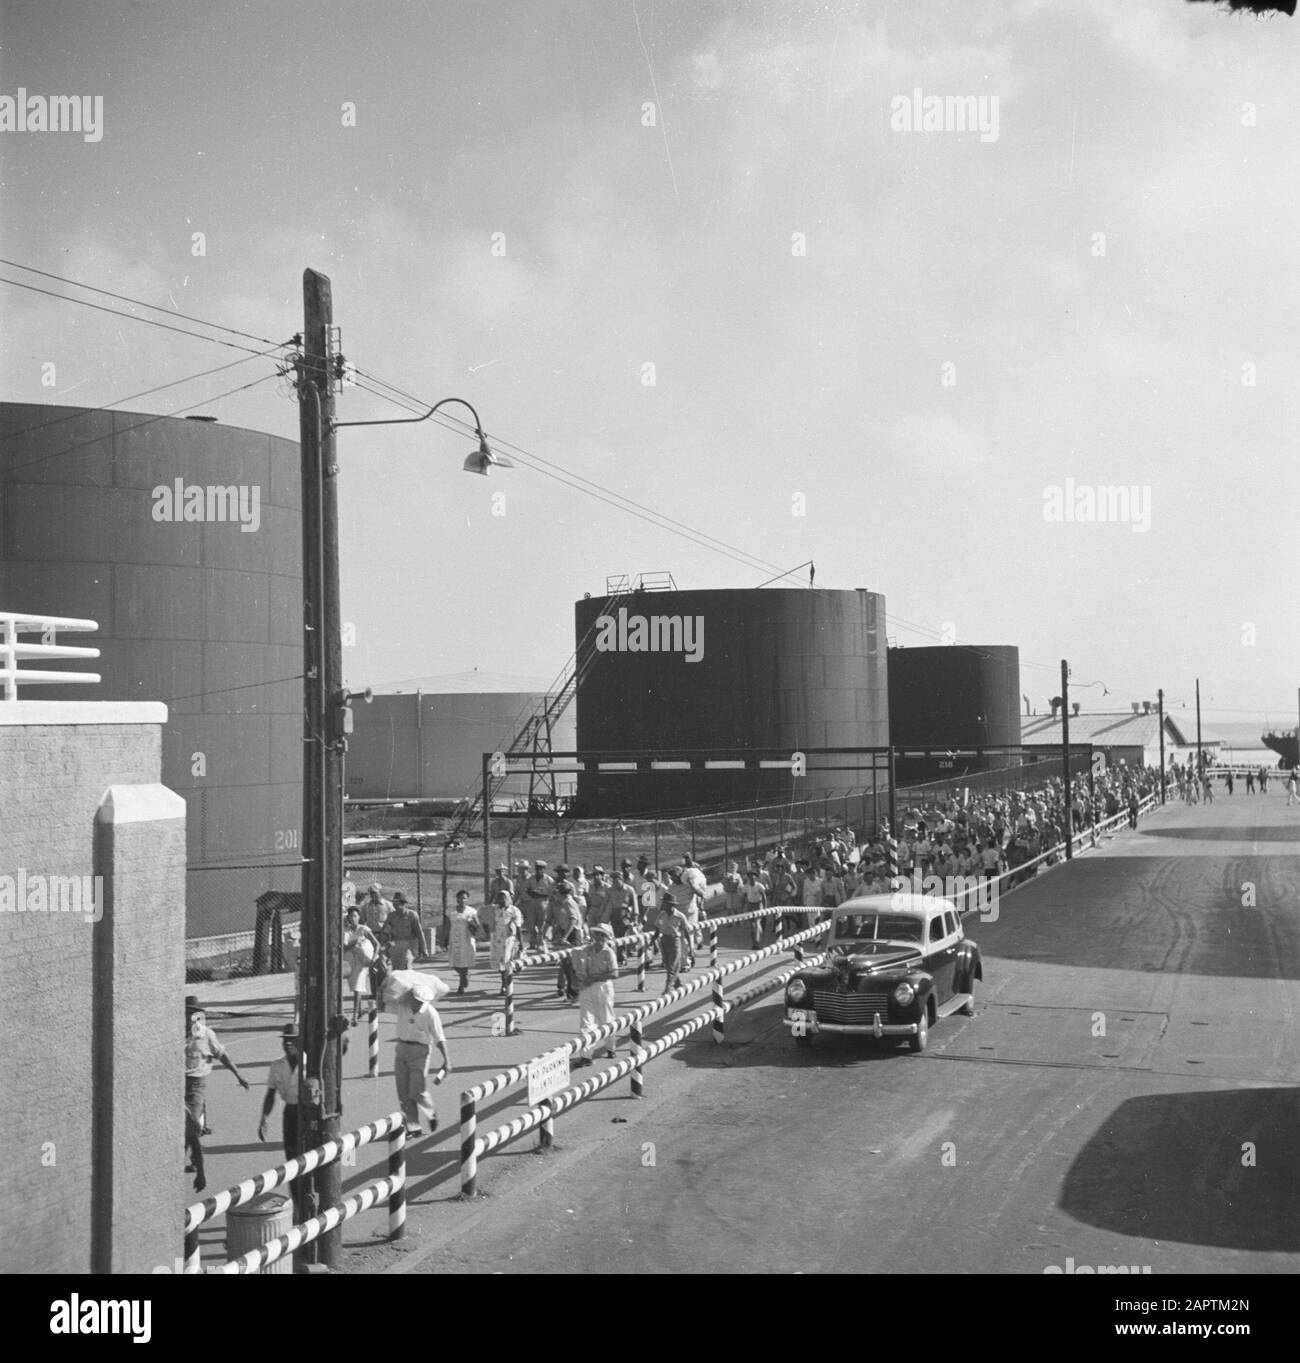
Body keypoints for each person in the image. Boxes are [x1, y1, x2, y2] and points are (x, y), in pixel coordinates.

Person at [185, 996, 250, 1138]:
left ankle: (193, 1152)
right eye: (187, 1012)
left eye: (193, 1013)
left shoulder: (206, 1034)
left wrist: (238, 1075)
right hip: (177, 1084)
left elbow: (222, 1055)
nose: (189, 1016)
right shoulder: (172, 1033)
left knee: (191, 1124)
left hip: (196, 1083)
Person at [393, 984, 450, 1138]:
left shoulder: (430, 1013)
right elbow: (387, 999)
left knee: (417, 1091)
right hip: (401, 1048)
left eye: (415, 999)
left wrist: (447, 1060)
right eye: (411, 997)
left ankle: (431, 1113)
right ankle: (413, 1127)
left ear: (421, 1001)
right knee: (403, 1093)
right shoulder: (403, 1005)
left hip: (420, 1051)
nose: (412, 1001)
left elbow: (439, 1037)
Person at [572, 923, 619, 1067]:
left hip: (602, 987)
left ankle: (611, 1047)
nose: (598, 938)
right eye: (596, 934)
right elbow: (576, 957)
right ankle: (586, 1056)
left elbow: (614, 973)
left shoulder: (608, 952)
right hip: (587, 987)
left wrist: (595, 978)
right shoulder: (587, 950)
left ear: (606, 938)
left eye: (601, 935)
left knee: (606, 1019)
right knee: (586, 1022)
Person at [258, 1024, 303, 1158]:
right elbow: (270, 1094)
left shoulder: (309, 1062)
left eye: (292, 1039)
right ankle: (295, 1180)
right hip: (290, 1112)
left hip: (307, 1112)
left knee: (308, 1153)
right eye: (285, 1040)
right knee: (291, 1153)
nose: (288, 1043)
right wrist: (263, 1119)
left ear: (300, 1041)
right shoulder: (277, 1066)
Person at [548, 879, 585, 1002]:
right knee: (565, 964)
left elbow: (572, 922)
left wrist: (565, 937)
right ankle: (569, 991)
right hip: (563, 932)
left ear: (564, 894)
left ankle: (576, 993)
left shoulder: (569, 903)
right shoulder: (557, 903)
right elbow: (555, 919)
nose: (555, 895)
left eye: (558, 893)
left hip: (573, 934)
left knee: (573, 965)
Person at [342, 908, 380, 1023]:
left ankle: (354, 1016)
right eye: (350, 916)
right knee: (354, 986)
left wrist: (373, 958)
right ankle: (359, 1011)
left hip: (362, 963)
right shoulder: (345, 932)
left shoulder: (364, 929)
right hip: (349, 962)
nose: (352, 918)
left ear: (359, 917)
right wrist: (354, 943)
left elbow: (376, 944)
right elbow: (344, 948)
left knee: (358, 987)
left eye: (355, 916)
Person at [447, 891, 482, 995]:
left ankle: (461, 985)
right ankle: (465, 976)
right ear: (456, 899)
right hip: (454, 939)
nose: (462, 900)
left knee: (464, 963)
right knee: (454, 963)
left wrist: (472, 924)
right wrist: (443, 940)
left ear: (467, 899)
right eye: (460, 898)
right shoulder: (450, 911)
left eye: (464, 898)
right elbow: (447, 926)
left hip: (466, 940)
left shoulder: (472, 912)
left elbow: (478, 926)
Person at [489, 888, 523, 992]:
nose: (501, 901)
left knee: (507, 962)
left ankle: (507, 984)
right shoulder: (496, 910)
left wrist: (521, 942)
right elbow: (493, 924)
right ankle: (504, 983)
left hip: (509, 939)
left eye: (503, 898)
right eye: (499, 899)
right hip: (498, 939)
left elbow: (518, 927)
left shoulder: (514, 910)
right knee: (500, 963)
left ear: (508, 899)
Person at [383, 891, 427, 971]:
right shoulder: (391, 916)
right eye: (394, 902)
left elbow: (419, 933)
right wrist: (385, 946)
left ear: (402, 903)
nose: (394, 904)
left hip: (409, 945)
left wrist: (424, 949)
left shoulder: (412, 915)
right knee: (396, 971)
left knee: (406, 968)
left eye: (397, 902)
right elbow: (385, 932)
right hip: (396, 945)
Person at [656, 893, 691, 993]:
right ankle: (677, 983)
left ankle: (668, 987)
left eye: (665, 903)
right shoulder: (662, 915)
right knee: (667, 964)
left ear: (671, 905)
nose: (663, 905)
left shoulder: (680, 916)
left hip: (674, 941)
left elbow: (686, 931)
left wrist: (691, 948)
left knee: (673, 966)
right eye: (663, 903)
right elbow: (657, 928)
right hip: (664, 940)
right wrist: (652, 940)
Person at [521, 861, 554, 950]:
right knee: (531, 924)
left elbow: (551, 893)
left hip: (543, 903)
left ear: (544, 869)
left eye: (540, 868)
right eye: (537, 868)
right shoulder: (531, 878)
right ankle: (532, 942)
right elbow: (527, 889)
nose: (538, 870)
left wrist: (539, 894)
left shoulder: (548, 880)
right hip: (532, 902)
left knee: (542, 924)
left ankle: (541, 942)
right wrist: (531, 893)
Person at [742, 869, 768, 948]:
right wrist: (743, 908)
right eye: (750, 877)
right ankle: (754, 943)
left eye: (753, 877)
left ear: (755, 878)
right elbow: (744, 897)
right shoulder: (746, 886)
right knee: (752, 925)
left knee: (757, 923)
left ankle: (757, 942)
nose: (751, 879)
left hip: (758, 905)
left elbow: (764, 897)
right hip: (750, 905)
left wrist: (765, 908)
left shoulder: (759, 885)